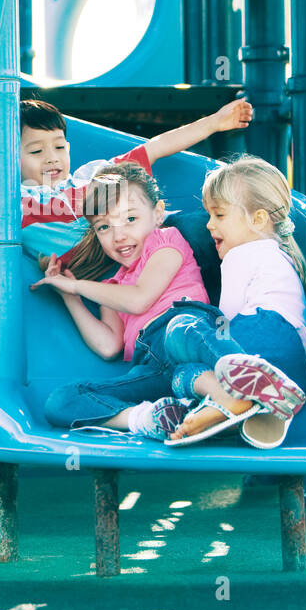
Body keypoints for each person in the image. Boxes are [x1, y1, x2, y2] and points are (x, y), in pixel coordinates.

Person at [33, 162, 213, 439]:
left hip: (185, 338)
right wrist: (70, 297)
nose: (119, 236)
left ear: (157, 214)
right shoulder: (111, 287)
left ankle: (236, 386)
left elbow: (139, 299)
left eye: (130, 219)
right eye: (104, 227)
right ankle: (151, 418)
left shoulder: (166, 242)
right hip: (154, 370)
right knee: (61, 402)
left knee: (184, 331)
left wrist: (78, 285)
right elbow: (109, 347)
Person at [159, 155, 306, 449]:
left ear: (257, 219)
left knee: (181, 328)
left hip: (260, 334)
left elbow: (224, 322)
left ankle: (226, 397)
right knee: (183, 372)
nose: (208, 225)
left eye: (218, 215)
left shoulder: (242, 254)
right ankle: (240, 404)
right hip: (295, 370)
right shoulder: (281, 255)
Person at [19, 97, 252, 267]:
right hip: (114, 264)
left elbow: (155, 148)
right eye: (37, 151)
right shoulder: (16, 206)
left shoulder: (92, 177)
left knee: (209, 225)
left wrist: (215, 122)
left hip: (160, 236)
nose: (52, 157)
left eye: (59, 147)